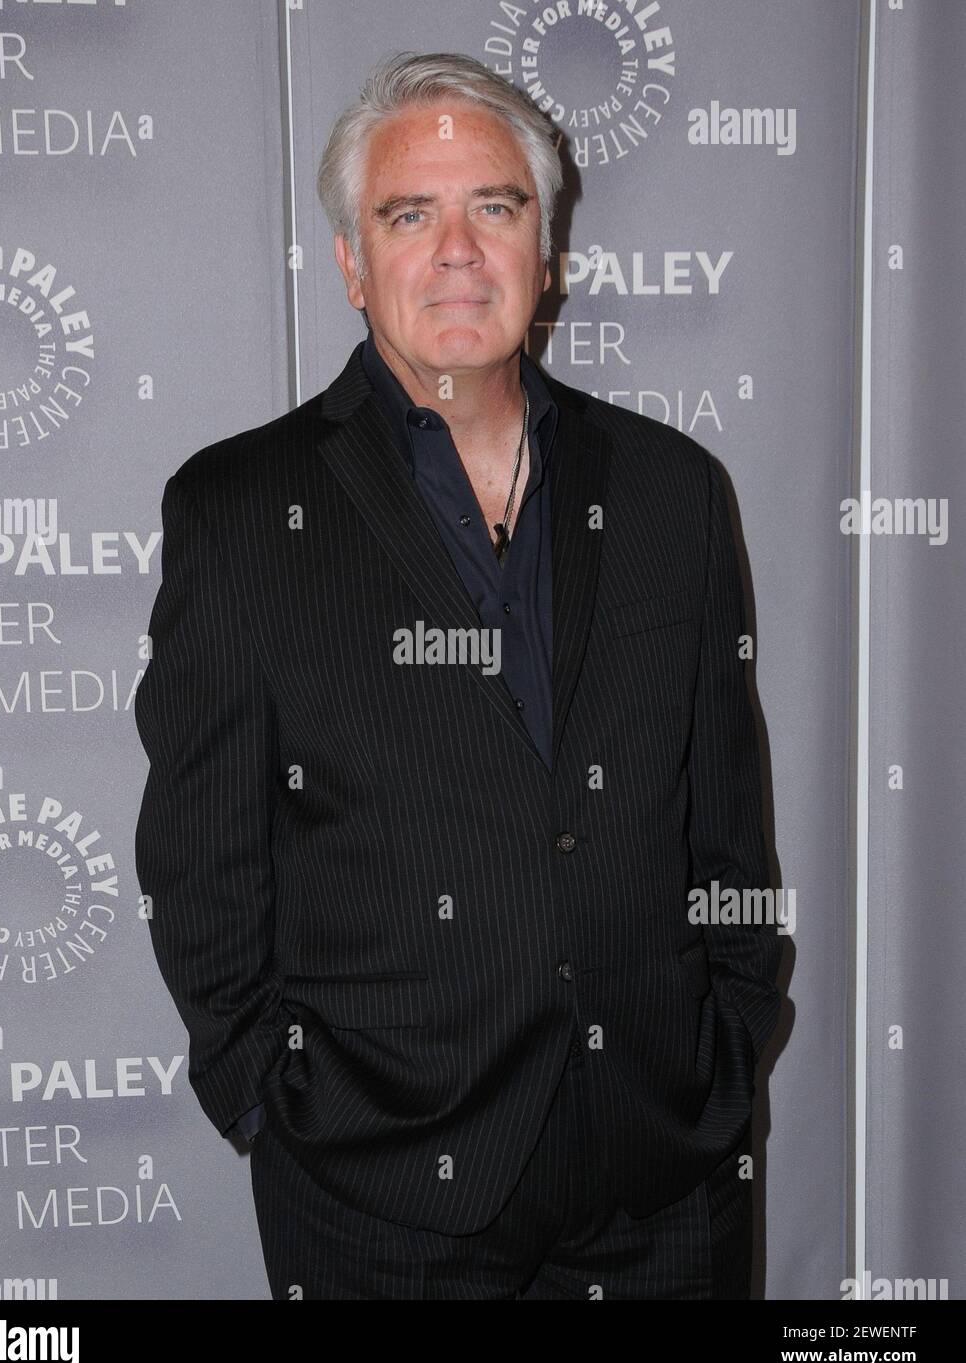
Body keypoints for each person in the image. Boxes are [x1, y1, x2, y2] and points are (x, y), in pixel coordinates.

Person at [133, 50, 784, 1300]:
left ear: (546, 244)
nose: (456, 250)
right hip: (384, 1199)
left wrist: (732, 1038)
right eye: (406, 214)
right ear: (349, 262)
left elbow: (728, 824)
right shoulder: (239, 509)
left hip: (666, 1176)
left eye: (495, 205)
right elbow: (202, 866)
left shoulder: (672, 492)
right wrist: (275, 1101)